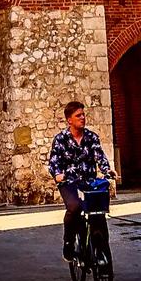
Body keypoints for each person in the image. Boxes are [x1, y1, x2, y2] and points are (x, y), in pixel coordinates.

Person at [46, 100, 113, 261]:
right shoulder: (61, 139)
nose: (82, 118)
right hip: (69, 183)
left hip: (88, 181)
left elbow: (99, 156)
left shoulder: (91, 137)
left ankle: (101, 248)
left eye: (83, 115)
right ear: (69, 119)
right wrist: (57, 174)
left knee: (98, 212)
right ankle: (68, 242)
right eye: (78, 115)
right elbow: (54, 162)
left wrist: (107, 170)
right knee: (75, 207)